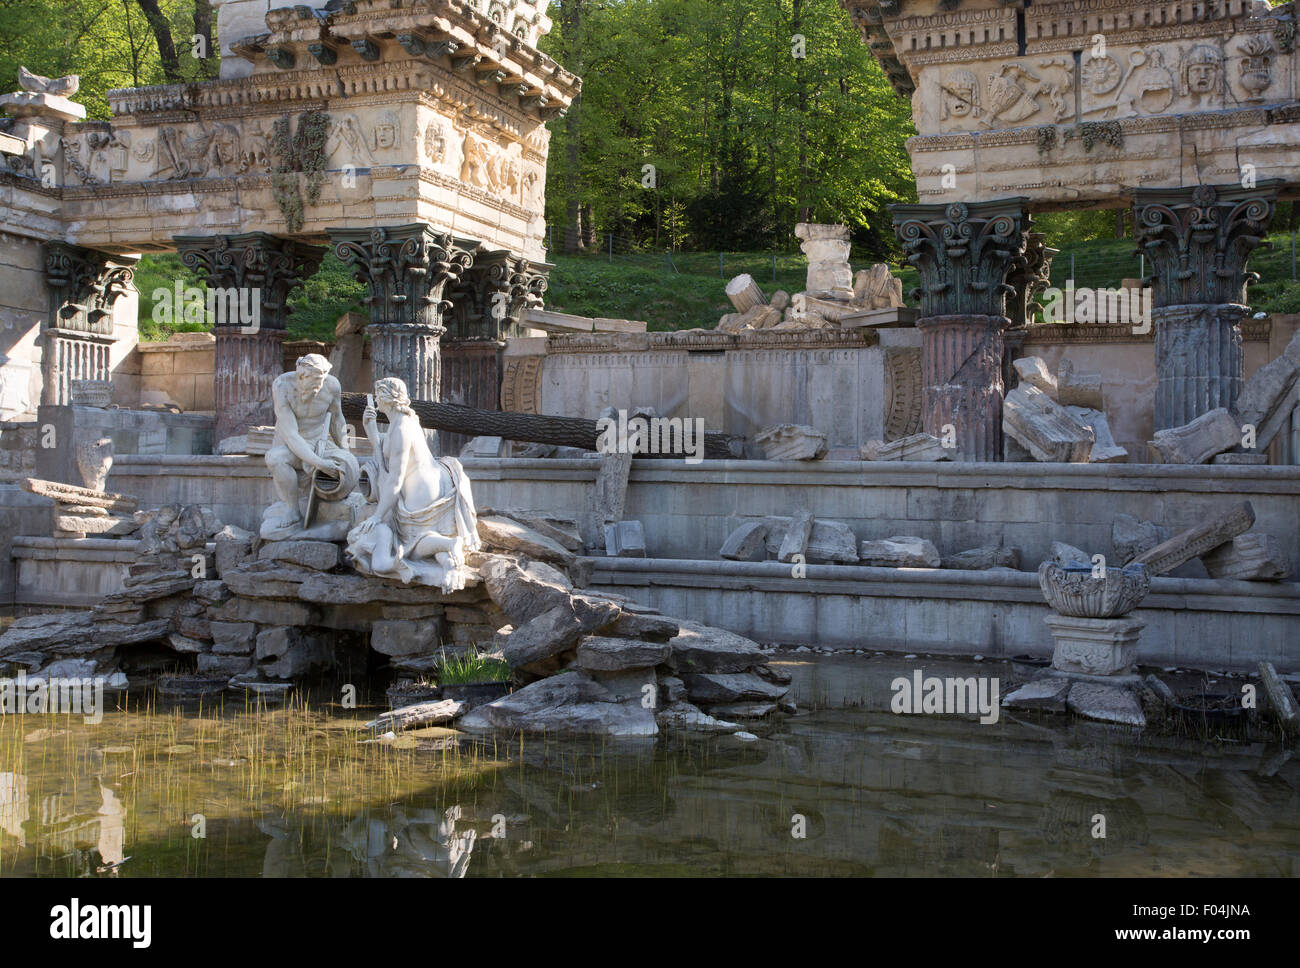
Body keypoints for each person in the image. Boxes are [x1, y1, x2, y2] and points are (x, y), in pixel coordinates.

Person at [346, 377, 480, 591]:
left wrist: (378, 515)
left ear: (386, 399)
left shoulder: (400, 429)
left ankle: (447, 544)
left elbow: (395, 479)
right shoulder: (406, 419)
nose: (376, 401)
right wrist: (370, 431)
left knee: (410, 547)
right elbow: (387, 456)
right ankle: (448, 557)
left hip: (422, 492)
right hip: (437, 479)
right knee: (411, 540)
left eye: (378, 396)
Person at [263, 354, 358, 536]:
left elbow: (337, 420)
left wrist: (346, 452)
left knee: (344, 469)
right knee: (274, 458)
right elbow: (291, 435)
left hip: (320, 441)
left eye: (321, 382)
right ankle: (292, 510)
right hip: (293, 443)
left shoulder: (332, 385)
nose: (318, 388)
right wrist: (318, 462)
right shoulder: (282, 386)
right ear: (301, 377)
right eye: (314, 383)